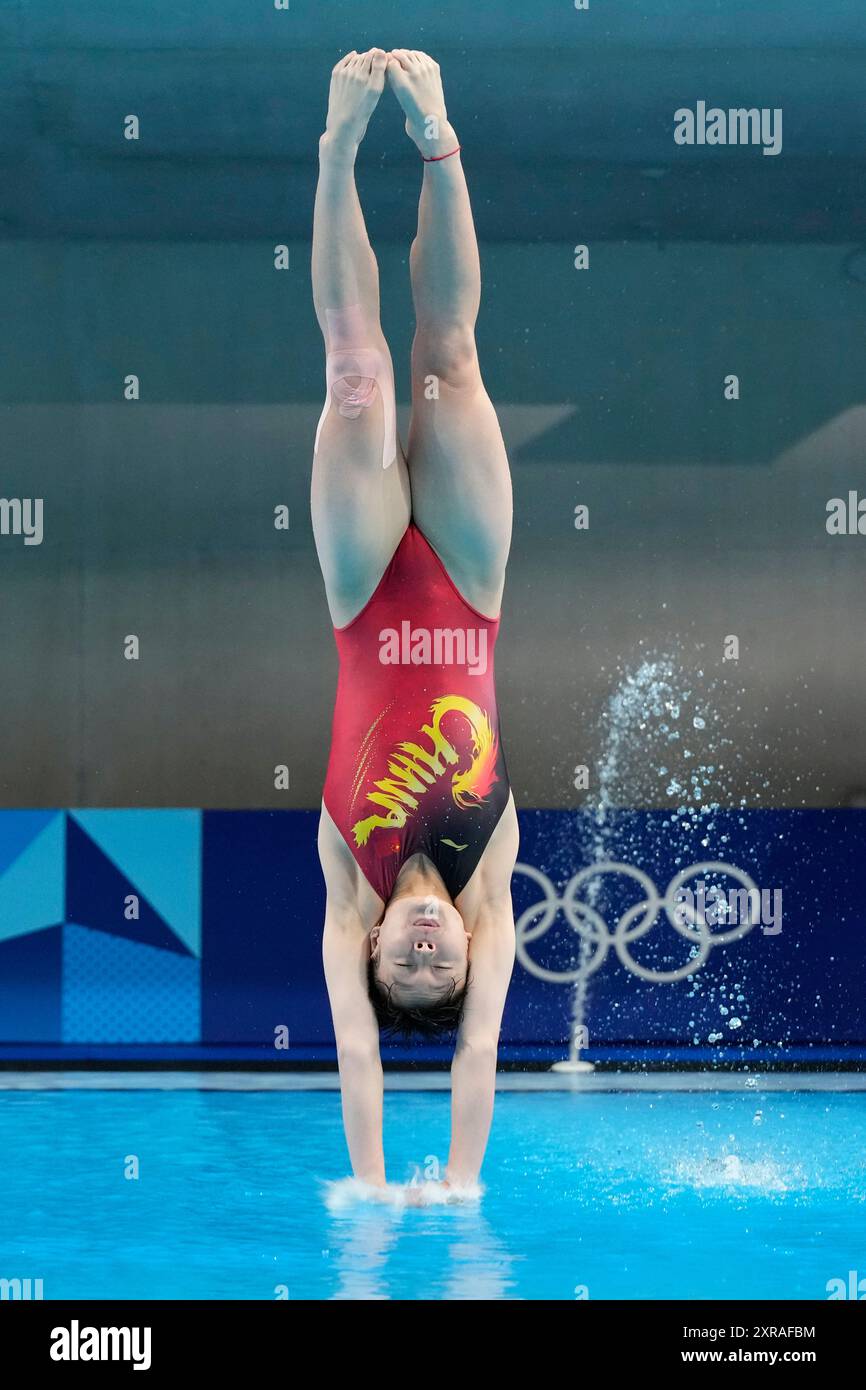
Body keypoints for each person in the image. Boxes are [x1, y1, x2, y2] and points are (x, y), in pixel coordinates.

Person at [312, 48, 518, 1196]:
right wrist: (463, 1178)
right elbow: (479, 1043)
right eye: (446, 966)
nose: (429, 952)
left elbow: (354, 1048)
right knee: (447, 358)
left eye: (410, 968)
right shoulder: (492, 880)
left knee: (356, 370)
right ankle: (437, 136)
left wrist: (376, 1183)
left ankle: (337, 147)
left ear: (378, 956)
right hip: (466, 581)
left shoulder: (350, 891)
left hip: (359, 591)